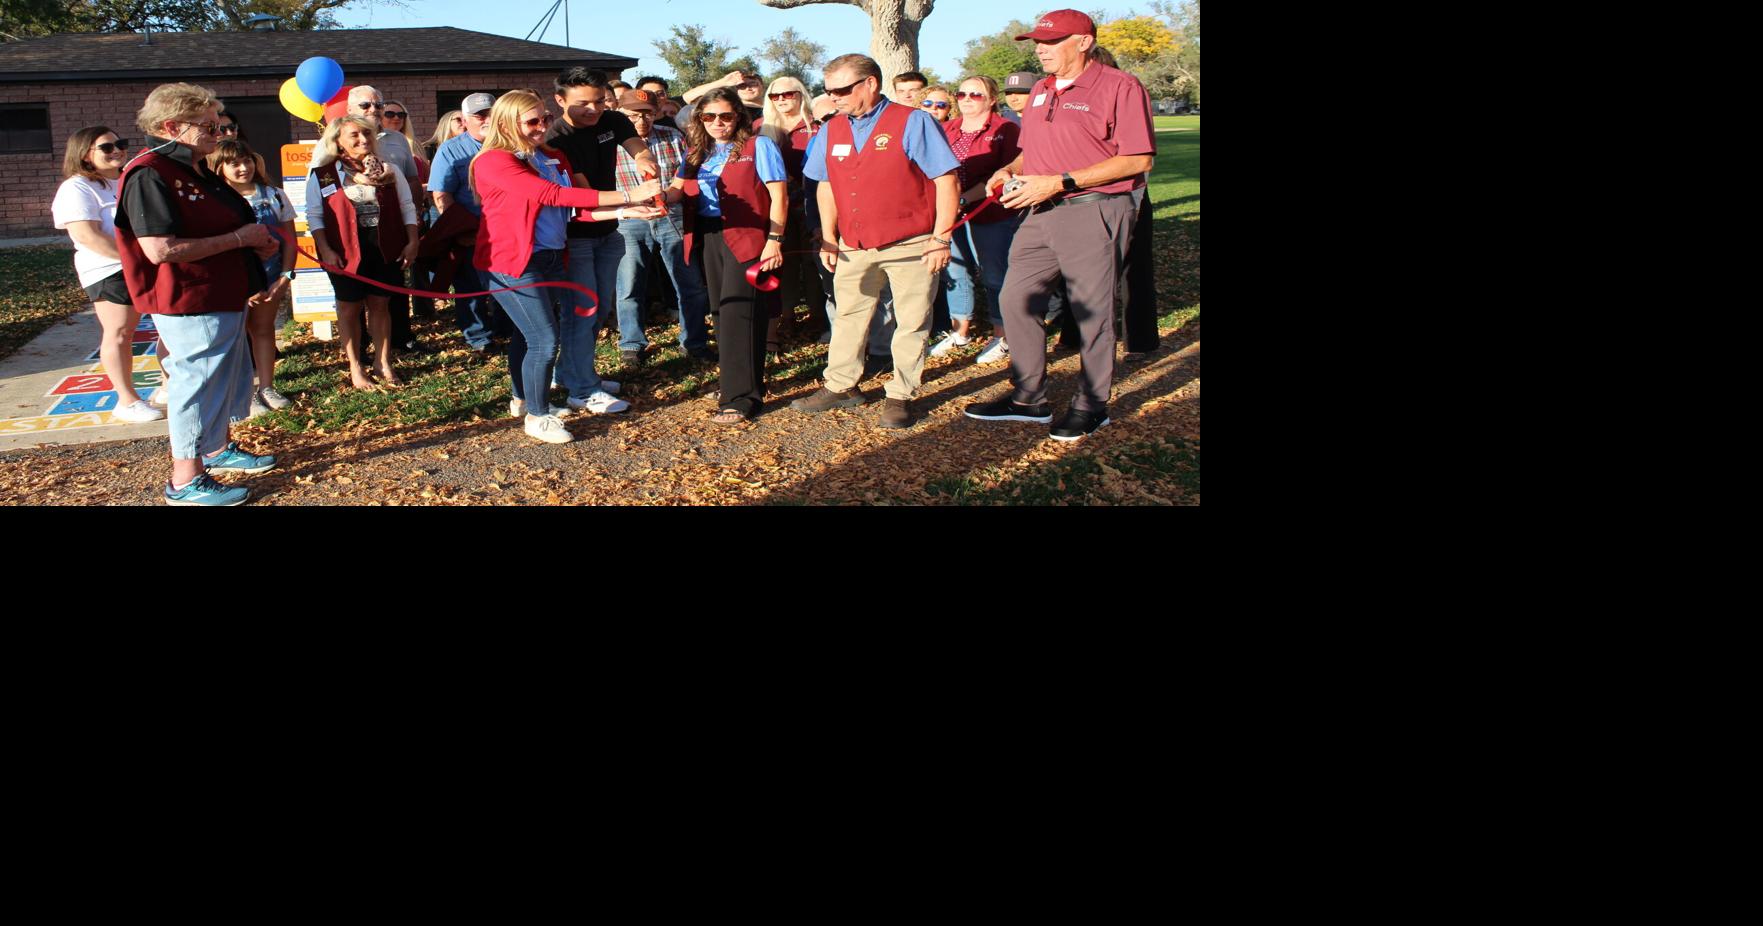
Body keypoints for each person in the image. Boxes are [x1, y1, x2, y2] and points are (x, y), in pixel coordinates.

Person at [966, 10, 1156, 442]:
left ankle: (1093, 405)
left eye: (1052, 41)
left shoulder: (1119, 86)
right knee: (1016, 298)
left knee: (1093, 311)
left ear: (1084, 42)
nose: (1041, 48)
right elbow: (1031, 151)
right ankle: (1028, 398)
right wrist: (1007, 170)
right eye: (1038, 41)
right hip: (1039, 209)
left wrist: (1060, 181)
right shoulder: (1040, 90)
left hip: (1094, 207)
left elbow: (1138, 158)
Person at [114, 82, 279, 506]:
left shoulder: (193, 165)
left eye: (219, 124)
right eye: (207, 126)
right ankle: (185, 479)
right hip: (188, 299)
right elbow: (159, 248)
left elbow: (219, 223)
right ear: (171, 126)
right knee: (198, 382)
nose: (218, 133)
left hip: (221, 292)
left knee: (224, 377)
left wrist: (253, 240)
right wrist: (240, 238)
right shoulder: (150, 172)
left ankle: (217, 448)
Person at [470, 89, 661, 443]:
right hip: (513, 261)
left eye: (545, 118)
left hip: (552, 257)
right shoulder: (494, 160)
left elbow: (572, 208)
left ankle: (527, 399)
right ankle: (538, 417)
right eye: (532, 121)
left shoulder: (549, 156)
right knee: (544, 339)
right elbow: (551, 195)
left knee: (530, 336)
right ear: (508, 123)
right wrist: (627, 194)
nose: (542, 126)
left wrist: (624, 211)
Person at [792, 53, 960, 430]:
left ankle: (900, 394)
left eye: (841, 90)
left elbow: (946, 180)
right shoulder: (831, 129)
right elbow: (825, 185)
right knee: (849, 315)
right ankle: (841, 385)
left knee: (912, 320)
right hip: (853, 244)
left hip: (911, 242)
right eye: (828, 91)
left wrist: (941, 238)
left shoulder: (912, 121)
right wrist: (830, 236)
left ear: (870, 84)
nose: (834, 97)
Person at [676, 88, 787, 425]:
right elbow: (676, 189)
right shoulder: (697, 152)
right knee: (722, 314)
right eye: (709, 117)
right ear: (700, 119)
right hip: (709, 236)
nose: (718, 123)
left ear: (738, 115)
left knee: (741, 313)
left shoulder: (759, 145)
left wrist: (774, 241)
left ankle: (742, 398)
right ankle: (735, 383)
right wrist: (652, 196)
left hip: (749, 237)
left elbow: (778, 196)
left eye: (725, 115)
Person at [544, 66, 659, 383]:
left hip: (609, 232)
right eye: (583, 103)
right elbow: (585, 196)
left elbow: (637, 147)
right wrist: (630, 200)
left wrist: (645, 161)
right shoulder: (557, 138)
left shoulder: (613, 119)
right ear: (560, 100)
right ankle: (577, 379)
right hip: (577, 235)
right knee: (582, 311)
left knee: (598, 311)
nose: (593, 109)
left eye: (599, 101)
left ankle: (574, 371)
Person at [52, 126, 165, 423]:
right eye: (106, 147)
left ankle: (168, 386)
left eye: (120, 144)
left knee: (168, 325)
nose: (117, 150)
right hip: (109, 270)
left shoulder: (127, 179)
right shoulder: (76, 188)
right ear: (85, 154)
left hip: (147, 263)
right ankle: (127, 400)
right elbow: (88, 236)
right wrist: (133, 260)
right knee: (120, 332)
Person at [306, 114, 420, 390]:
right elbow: (315, 215)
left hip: (384, 248)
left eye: (366, 134)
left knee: (381, 305)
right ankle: (356, 368)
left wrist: (413, 241)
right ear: (338, 141)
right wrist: (325, 250)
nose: (362, 139)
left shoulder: (390, 170)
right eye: (354, 135)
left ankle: (383, 363)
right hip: (343, 252)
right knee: (349, 308)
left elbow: (407, 206)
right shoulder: (324, 174)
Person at [611, 89, 713, 362]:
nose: (641, 120)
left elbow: (685, 178)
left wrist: (668, 196)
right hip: (630, 220)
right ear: (621, 113)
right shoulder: (611, 142)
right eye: (633, 114)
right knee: (629, 284)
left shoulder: (673, 137)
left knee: (688, 282)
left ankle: (694, 341)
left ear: (656, 112)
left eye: (647, 113)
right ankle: (631, 343)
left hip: (670, 214)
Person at [930, 75, 1021, 365]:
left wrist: (964, 198)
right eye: (962, 94)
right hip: (952, 212)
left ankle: (1003, 335)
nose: (967, 99)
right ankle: (960, 332)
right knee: (956, 272)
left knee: (994, 274)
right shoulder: (947, 129)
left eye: (976, 95)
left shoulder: (1005, 129)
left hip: (991, 212)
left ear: (992, 99)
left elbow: (1004, 174)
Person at [209, 138, 297, 416]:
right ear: (220, 167)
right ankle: (244, 391)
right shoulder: (215, 198)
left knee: (264, 330)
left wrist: (285, 276)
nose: (242, 168)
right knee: (236, 336)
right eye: (233, 163)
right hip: (234, 279)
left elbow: (290, 240)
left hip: (270, 277)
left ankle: (267, 386)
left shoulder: (274, 195)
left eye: (246, 161)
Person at [428, 93, 504, 355]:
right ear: (464, 120)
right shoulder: (451, 149)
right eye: (479, 115)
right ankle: (479, 338)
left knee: (507, 284)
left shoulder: (510, 145)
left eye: (490, 114)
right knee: (470, 288)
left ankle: (504, 328)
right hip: (471, 231)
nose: (486, 120)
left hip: (507, 231)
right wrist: (459, 229)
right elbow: (441, 194)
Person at [759, 75, 819, 348]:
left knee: (814, 262)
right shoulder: (760, 128)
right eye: (775, 95)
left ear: (801, 95)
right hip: (774, 206)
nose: (782, 99)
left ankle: (820, 317)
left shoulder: (818, 126)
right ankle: (786, 317)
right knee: (783, 262)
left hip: (812, 204)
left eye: (788, 94)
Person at [679, 70, 765, 128]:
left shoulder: (772, 107)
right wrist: (724, 82)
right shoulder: (733, 109)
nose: (748, 88)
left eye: (753, 84)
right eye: (742, 85)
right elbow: (687, 98)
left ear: (762, 86)